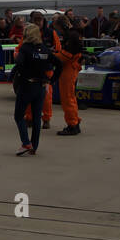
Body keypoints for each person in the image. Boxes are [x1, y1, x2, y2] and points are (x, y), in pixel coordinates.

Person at [12, 23, 56, 156]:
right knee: (37, 117)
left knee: (19, 115)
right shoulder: (44, 49)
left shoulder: (25, 48)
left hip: (27, 85)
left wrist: (21, 76)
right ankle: (34, 146)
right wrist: (51, 80)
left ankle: (26, 143)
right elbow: (56, 63)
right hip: (41, 85)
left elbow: (19, 63)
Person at [53, 16, 82, 135]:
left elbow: (67, 55)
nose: (58, 31)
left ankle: (72, 124)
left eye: (58, 28)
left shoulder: (71, 35)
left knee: (67, 98)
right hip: (71, 67)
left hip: (69, 68)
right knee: (70, 97)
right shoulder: (74, 34)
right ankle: (74, 121)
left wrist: (53, 57)